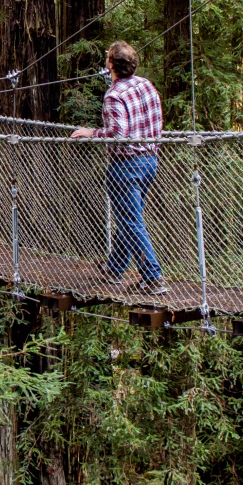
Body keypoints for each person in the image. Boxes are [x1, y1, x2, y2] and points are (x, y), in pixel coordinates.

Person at [71, 42, 167, 295]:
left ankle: (154, 277)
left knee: (130, 220)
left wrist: (93, 133)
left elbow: (118, 134)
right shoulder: (146, 85)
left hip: (125, 166)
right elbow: (157, 120)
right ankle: (115, 269)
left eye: (107, 58)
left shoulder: (114, 95)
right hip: (150, 160)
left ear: (111, 65)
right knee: (131, 218)